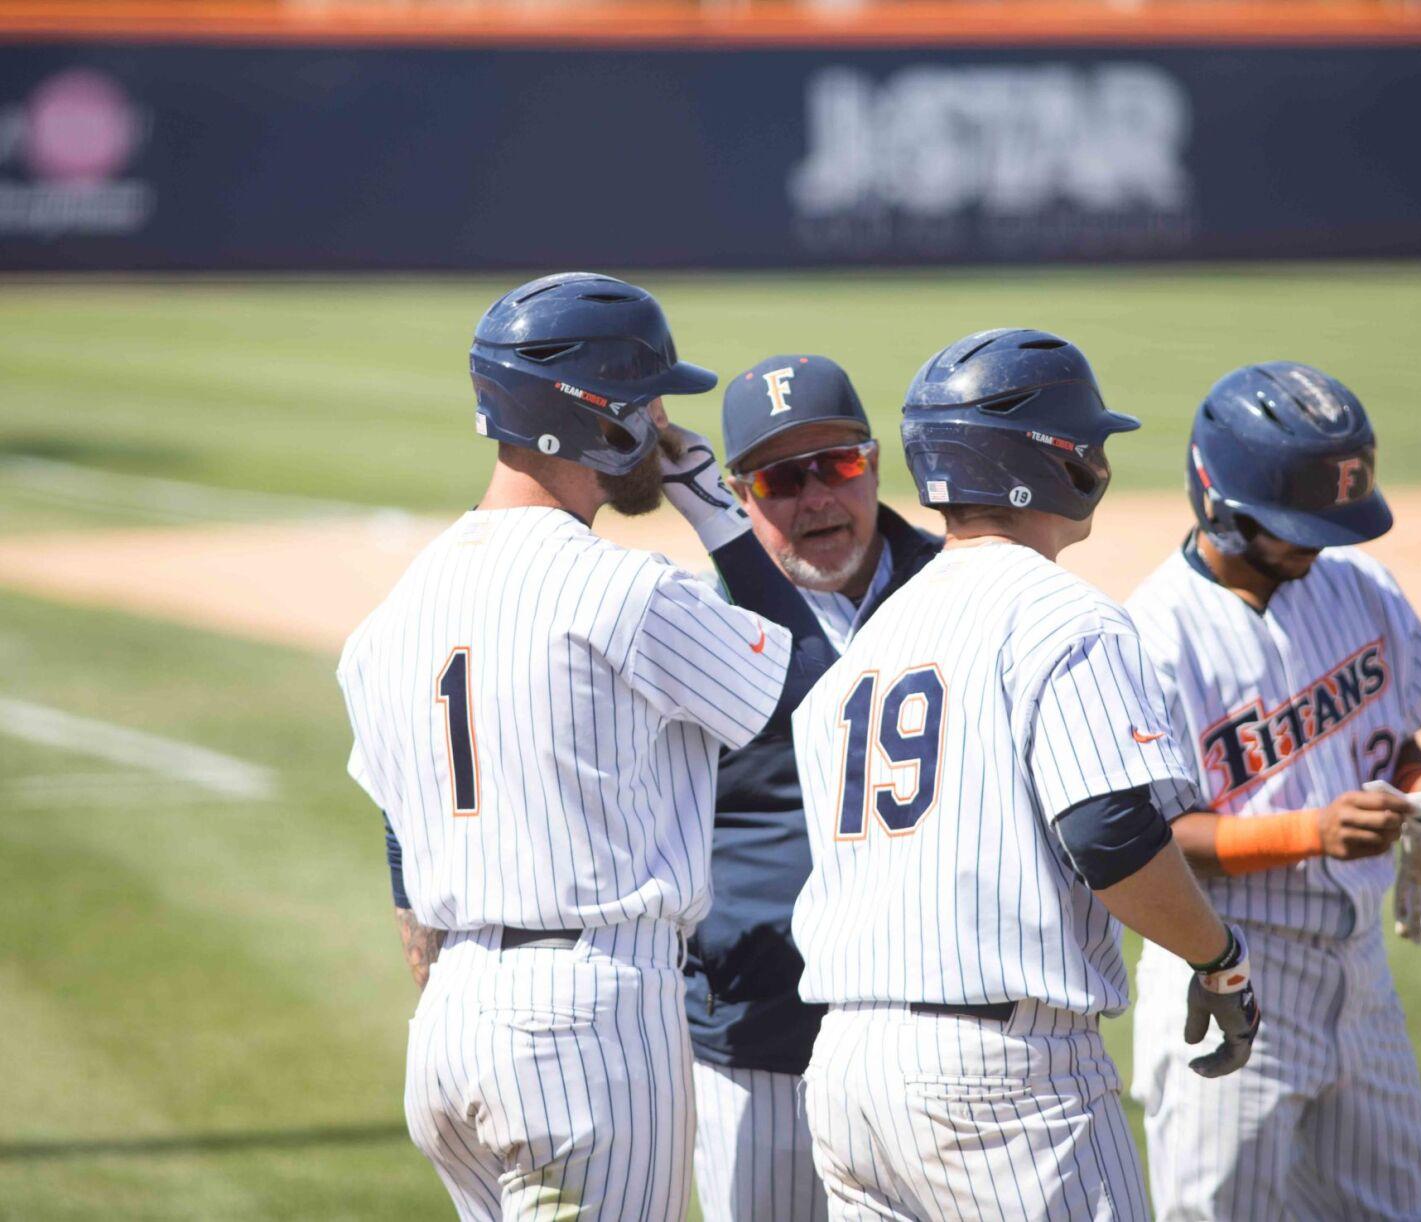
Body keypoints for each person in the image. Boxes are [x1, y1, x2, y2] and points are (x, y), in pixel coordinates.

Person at [335, 273, 832, 1221]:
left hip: (448, 1023)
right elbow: (810, 688)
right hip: (586, 1023)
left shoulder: (392, 613)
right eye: (647, 402)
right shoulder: (623, 592)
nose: (662, 423)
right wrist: (715, 510)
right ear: (594, 417)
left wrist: (436, 948)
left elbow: (400, 827)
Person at [789, 328, 1261, 1220]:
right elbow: (1111, 835)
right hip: (1002, 1084)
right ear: (1050, 459)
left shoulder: (870, 641)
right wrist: (1218, 959)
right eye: (1087, 440)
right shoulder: (1066, 618)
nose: (1099, 458)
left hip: (849, 1070)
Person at [1125, 361, 1421, 1222]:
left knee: (1401, 1213)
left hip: (1362, 973)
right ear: (1217, 497)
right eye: (1297, 525)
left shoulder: (1361, 588)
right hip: (1230, 974)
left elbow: (1391, 735)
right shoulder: (1149, 636)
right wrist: (1313, 833)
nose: (1318, 542)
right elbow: (1156, 836)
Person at [682, 354, 941, 1222]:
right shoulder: (693, 625)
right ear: (736, 493)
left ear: (874, 461)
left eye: (838, 464)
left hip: (939, 1038)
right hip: (760, 1041)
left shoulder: (961, 592)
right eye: (781, 478)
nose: (817, 498)